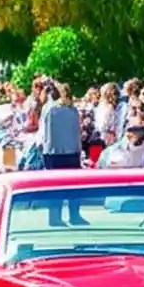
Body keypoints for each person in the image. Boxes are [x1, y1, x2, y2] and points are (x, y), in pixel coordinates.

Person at [41, 84, 88, 227]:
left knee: (65, 187)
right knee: (63, 188)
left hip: (63, 152)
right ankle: (62, 216)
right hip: (61, 152)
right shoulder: (57, 109)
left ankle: (66, 216)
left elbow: (75, 132)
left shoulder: (66, 110)